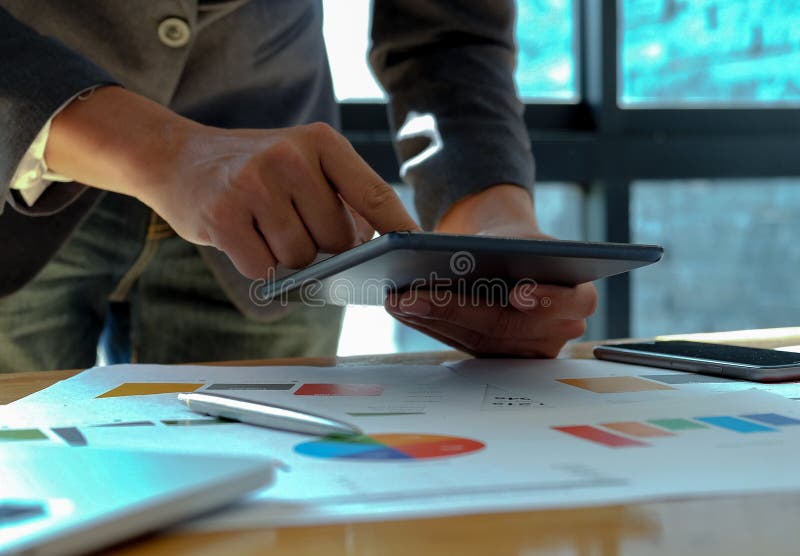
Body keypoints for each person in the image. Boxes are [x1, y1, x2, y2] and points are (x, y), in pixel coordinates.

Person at [0, 0, 597, 372]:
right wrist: (161, 151)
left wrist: (489, 220)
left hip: (288, 227)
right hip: (20, 178)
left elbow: (447, 35)